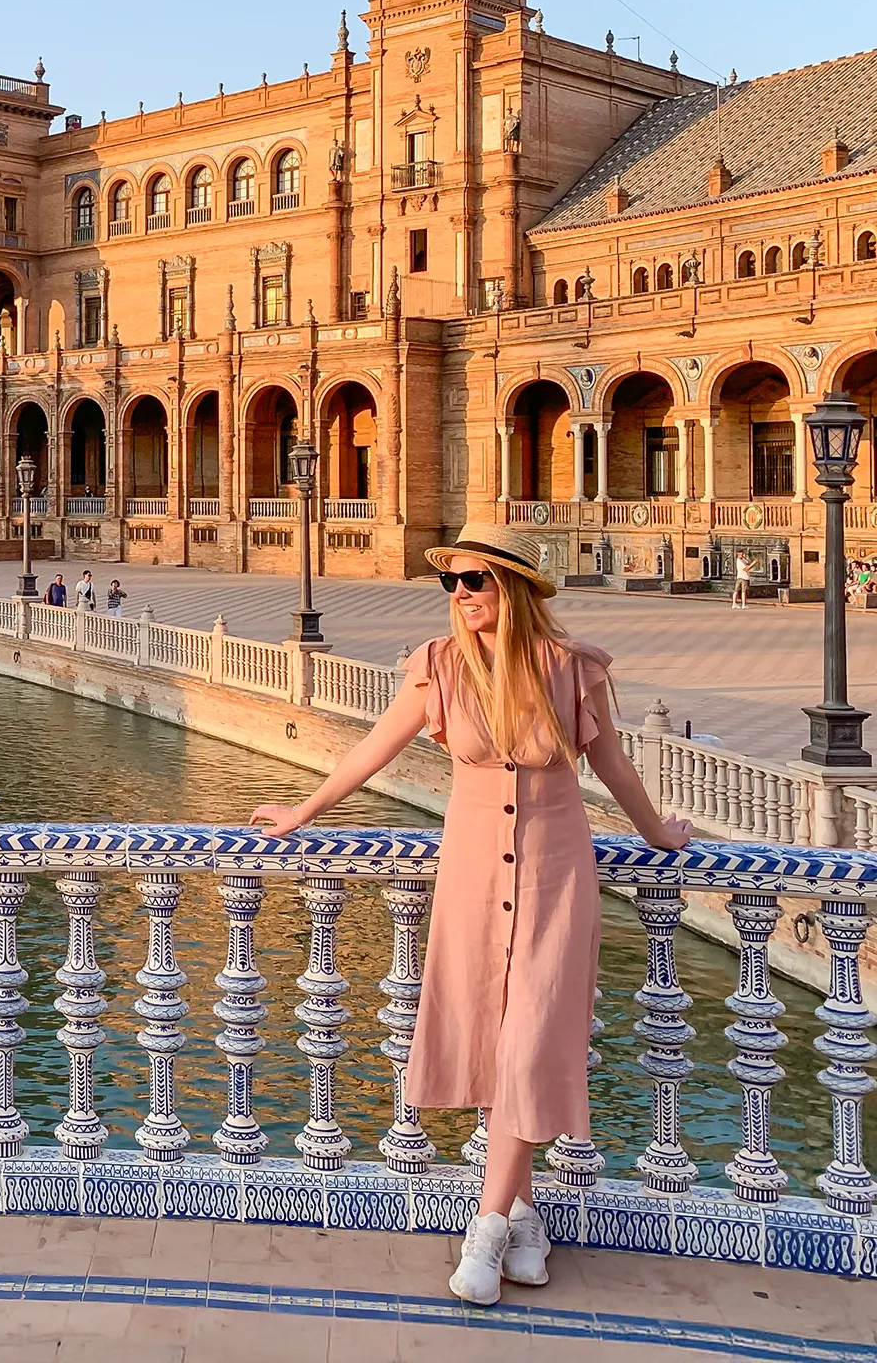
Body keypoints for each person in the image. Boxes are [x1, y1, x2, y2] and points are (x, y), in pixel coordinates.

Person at [248, 523, 691, 1308]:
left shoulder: (572, 667)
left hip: (557, 872)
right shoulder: (440, 665)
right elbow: (374, 748)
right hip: (473, 873)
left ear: (511, 587)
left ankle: (484, 1229)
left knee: (531, 1041)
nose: (460, 594)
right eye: (450, 581)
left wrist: (657, 833)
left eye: (474, 580)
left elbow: (612, 763)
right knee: (491, 1037)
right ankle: (523, 1215)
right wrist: (303, 812)